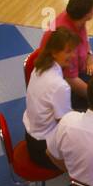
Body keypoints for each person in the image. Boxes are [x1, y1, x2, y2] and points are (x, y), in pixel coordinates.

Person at [22, 26, 78, 170]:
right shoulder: (60, 86)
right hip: (44, 150)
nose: (73, 55)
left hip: (31, 138)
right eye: (68, 51)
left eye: (73, 50)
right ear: (54, 52)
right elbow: (66, 124)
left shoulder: (39, 67)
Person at [38, 0, 93, 108]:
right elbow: (71, 80)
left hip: (79, 72)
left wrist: (89, 55)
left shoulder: (77, 19)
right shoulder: (65, 36)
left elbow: (84, 38)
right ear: (88, 13)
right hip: (65, 84)